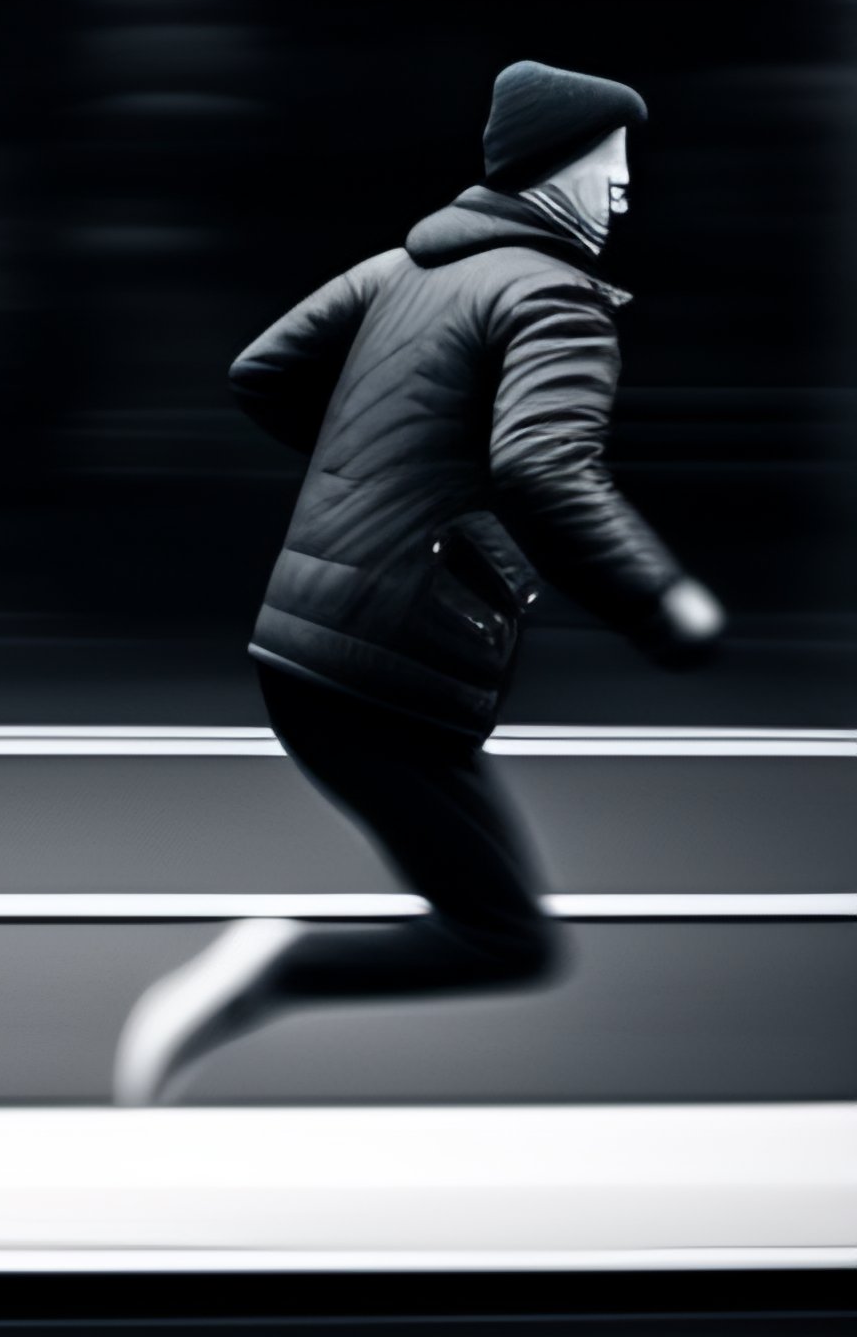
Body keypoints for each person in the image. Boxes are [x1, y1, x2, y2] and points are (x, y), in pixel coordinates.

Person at [114, 58, 725, 1106]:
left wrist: (378, 476)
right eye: (608, 166)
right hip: (389, 658)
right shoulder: (554, 298)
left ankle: (272, 965)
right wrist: (658, 599)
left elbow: (259, 371)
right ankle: (276, 964)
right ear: (548, 172)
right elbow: (541, 467)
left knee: (497, 926)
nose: (624, 189)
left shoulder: (397, 271)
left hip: (302, 648)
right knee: (503, 937)